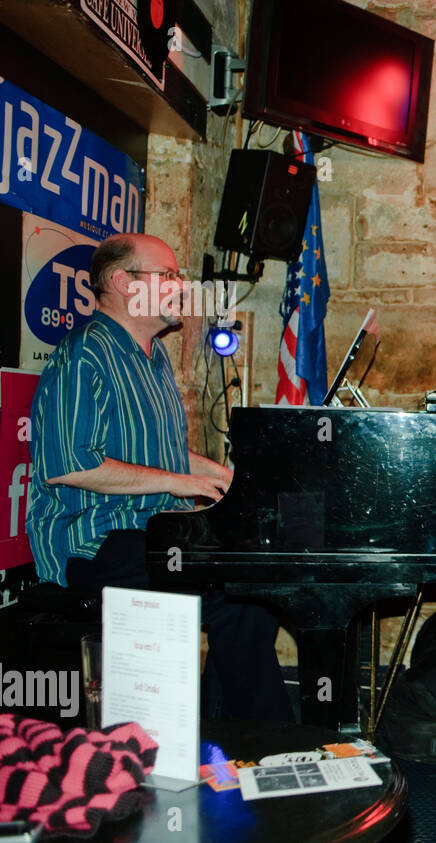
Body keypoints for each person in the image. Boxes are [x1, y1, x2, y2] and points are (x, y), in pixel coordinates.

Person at [27, 233, 293, 722]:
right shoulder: (85, 355)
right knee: (232, 595)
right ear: (123, 282)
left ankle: (226, 737)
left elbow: (165, 455)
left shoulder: (152, 357)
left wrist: (228, 477)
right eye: (167, 275)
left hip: (149, 530)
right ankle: (264, 741)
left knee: (252, 586)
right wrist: (178, 484)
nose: (180, 286)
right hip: (92, 542)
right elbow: (72, 466)